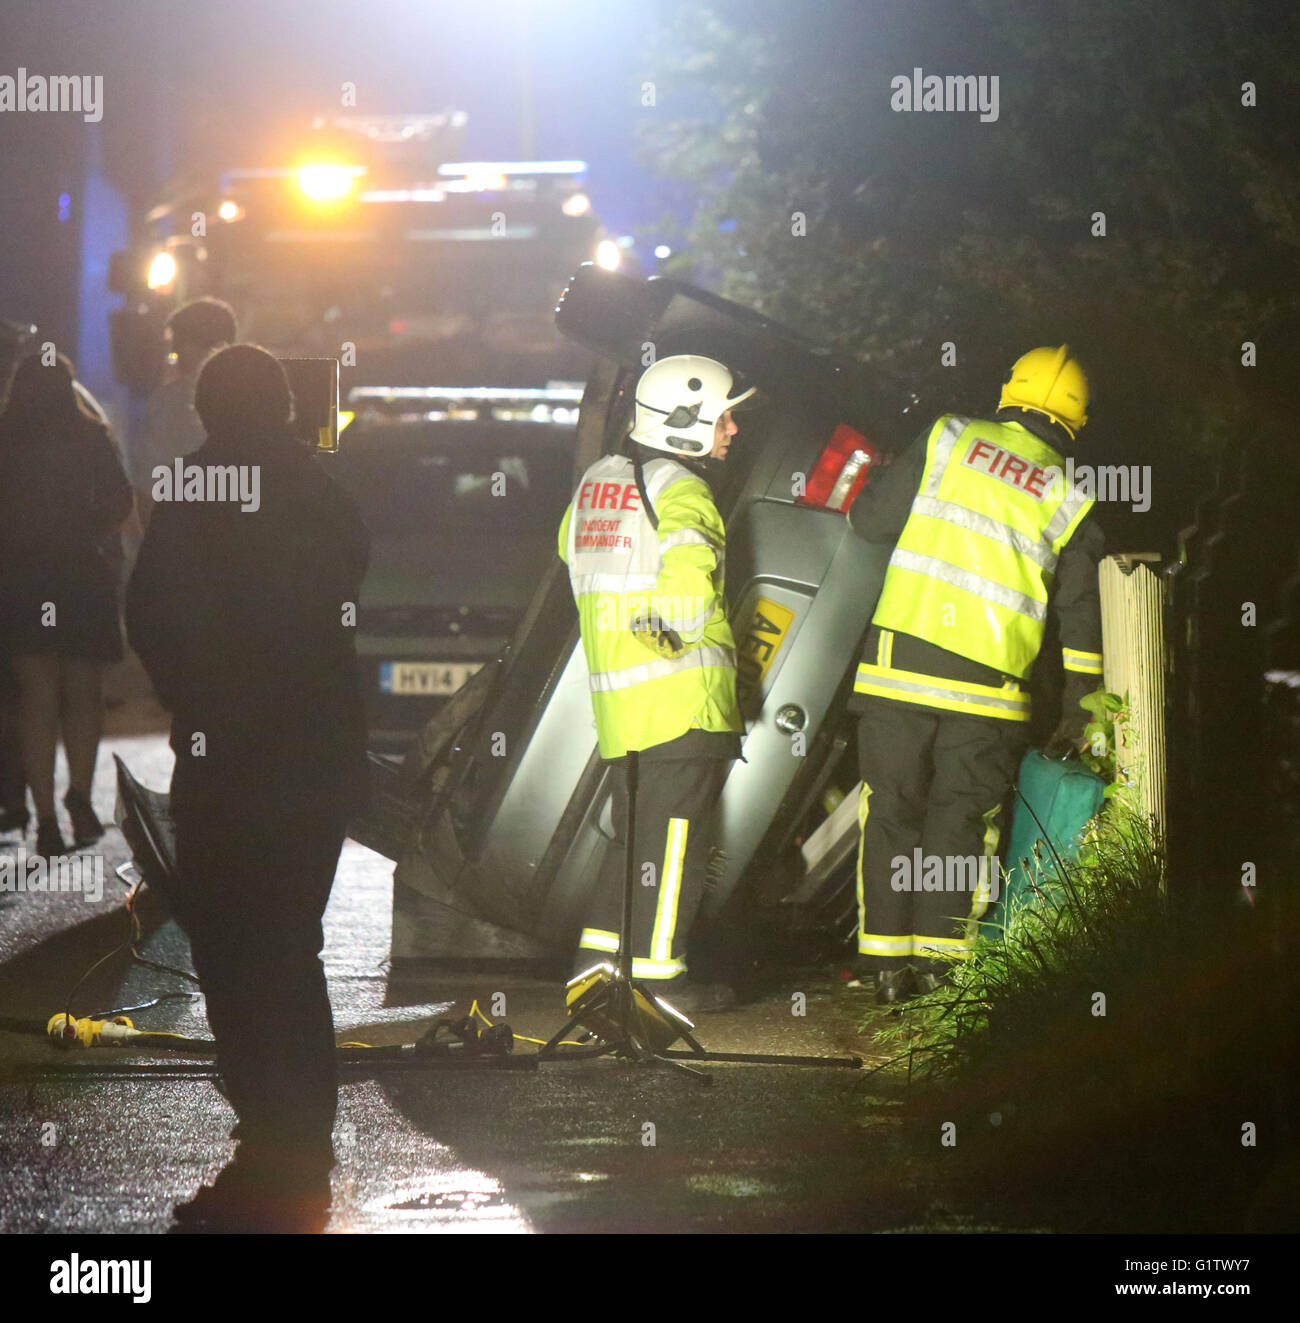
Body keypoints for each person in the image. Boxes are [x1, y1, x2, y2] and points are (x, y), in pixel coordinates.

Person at [126, 344, 369, 1230]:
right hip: (314, 758)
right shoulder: (320, 492)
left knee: (231, 945)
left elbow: (148, 609)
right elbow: (346, 580)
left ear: (205, 410)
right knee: (289, 944)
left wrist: (193, 695)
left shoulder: (194, 494)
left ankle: (272, 1131)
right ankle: (299, 1134)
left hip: (227, 759)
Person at [847, 345, 1104, 1004]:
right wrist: (1081, 703)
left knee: (892, 812)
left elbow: (872, 522)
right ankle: (938, 967)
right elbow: (1079, 618)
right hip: (987, 690)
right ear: (1075, 419)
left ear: (1009, 391)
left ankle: (884, 967)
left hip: (898, 668)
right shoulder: (1070, 498)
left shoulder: (948, 436)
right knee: (960, 819)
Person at [558, 354, 755, 1017]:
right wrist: (668, 622)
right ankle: (658, 986)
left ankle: (597, 974)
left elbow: (571, 551)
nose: (732, 429)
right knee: (673, 846)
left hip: (622, 707)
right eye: (724, 416)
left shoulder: (596, 483)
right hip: (682, 701)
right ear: (684, 422)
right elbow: (691, 571)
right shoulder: (685, 490)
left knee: (634, 842)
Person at [0, 352, 133, 856]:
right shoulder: (90, 436)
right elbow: (121, 499)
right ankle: (80, 796)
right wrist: (90, 528)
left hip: (21, 579)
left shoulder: (6, 440)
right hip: (81, 575)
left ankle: (45, 820)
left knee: (37, 700)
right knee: (83, 695)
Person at [130, 297, 236, 525]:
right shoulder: (259, 401)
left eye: (177, 349)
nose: (175, 358)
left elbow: (148, 492)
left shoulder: (168, 403)